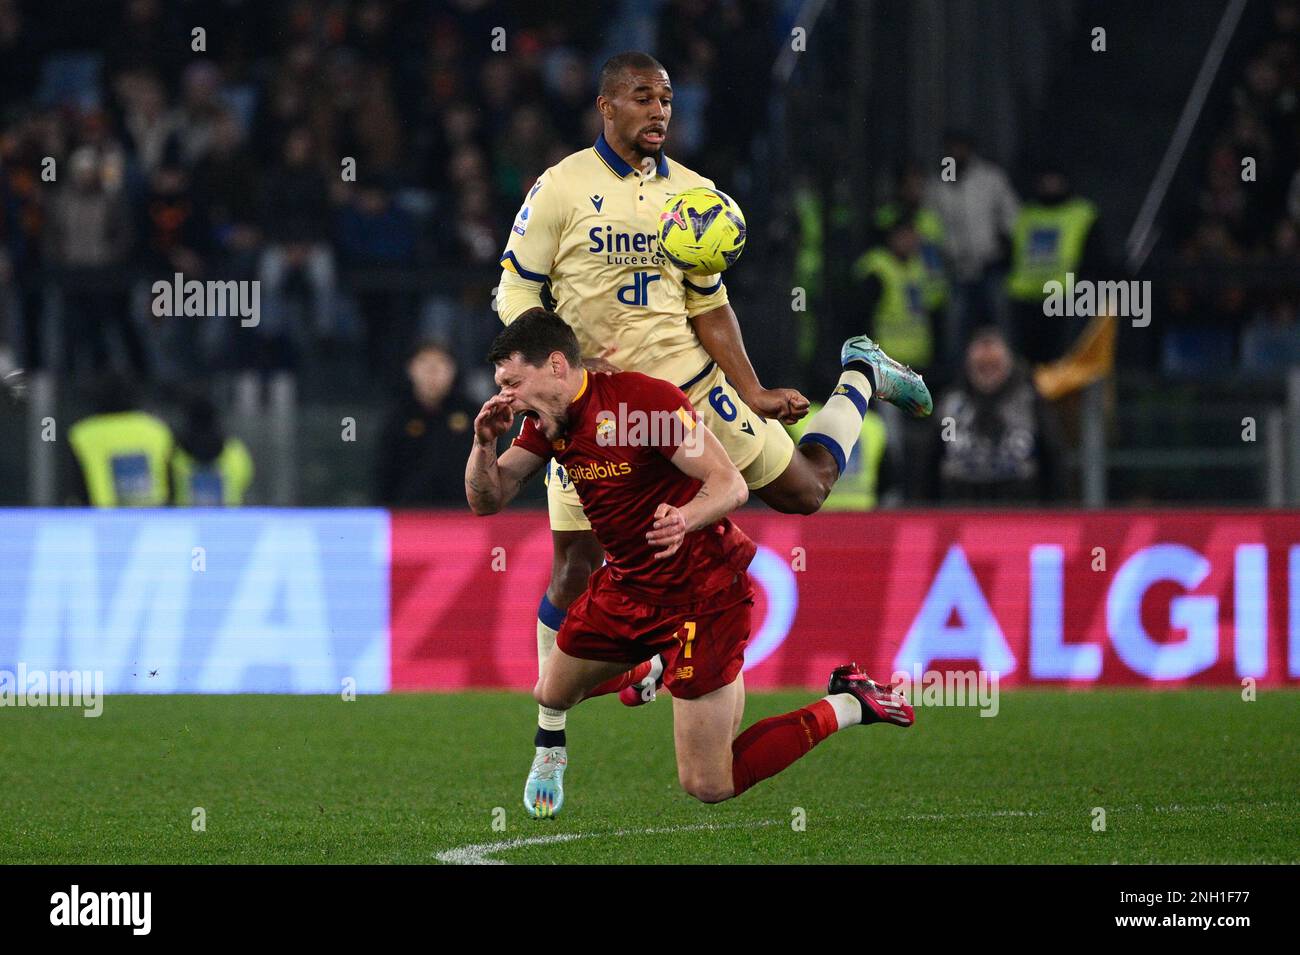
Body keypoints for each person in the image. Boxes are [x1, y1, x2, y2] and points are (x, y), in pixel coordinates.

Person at [495, 51, 932, 816]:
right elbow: (514, 295)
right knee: (573, 569)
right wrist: (562, 365)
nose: (659, 111)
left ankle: (861, 374)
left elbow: (709, 307)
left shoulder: (695, 198)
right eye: (642, 97)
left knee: (806, 491)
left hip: (690, 397)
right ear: (606, 106)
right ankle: (563, 729)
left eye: (667, 99)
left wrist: (752, 389)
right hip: (601, 412)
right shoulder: (559, 188)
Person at [466, 310, 913, 811]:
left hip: (703, 597)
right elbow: (486, 499)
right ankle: (647, 670)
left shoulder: (643, 404)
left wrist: (685, 517)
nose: (506, 397)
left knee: (708, 783)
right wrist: (484, 443)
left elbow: (730, 485)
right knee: (550, 692)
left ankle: (851, 703)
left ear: (554, 366)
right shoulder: (548, 425)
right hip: (629, 589)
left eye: (512, 383)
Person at [923, 326, 1064, 505]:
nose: (988, 372)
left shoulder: (1030, 401)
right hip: (961, 507)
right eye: (982, 366)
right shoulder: (950, 404)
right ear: (968, 364)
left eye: (994, 365)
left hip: (1019, 508)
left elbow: (1053, 458)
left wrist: (1055, 510)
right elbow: (930, 462)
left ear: (1009, 363)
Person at [374, 340, 475, 506]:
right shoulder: (397, 417)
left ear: (453, 369)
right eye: (424, 362)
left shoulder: (474, 415)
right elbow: (385, 473)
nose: (432, 371)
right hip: (409, 512)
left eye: (441, 363)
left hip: (465, 513)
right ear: (410, 369)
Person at [65, 373, 173, 507]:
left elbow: (75, 488)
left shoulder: (82, 434)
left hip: (103, 517)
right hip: (154, 516)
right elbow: (171, 481)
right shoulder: (157, 429)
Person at [170, 393, 254, 506]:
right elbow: (244, 482)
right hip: (229, 516)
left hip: (186, 517)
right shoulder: (236, 452)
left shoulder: (176, 456)